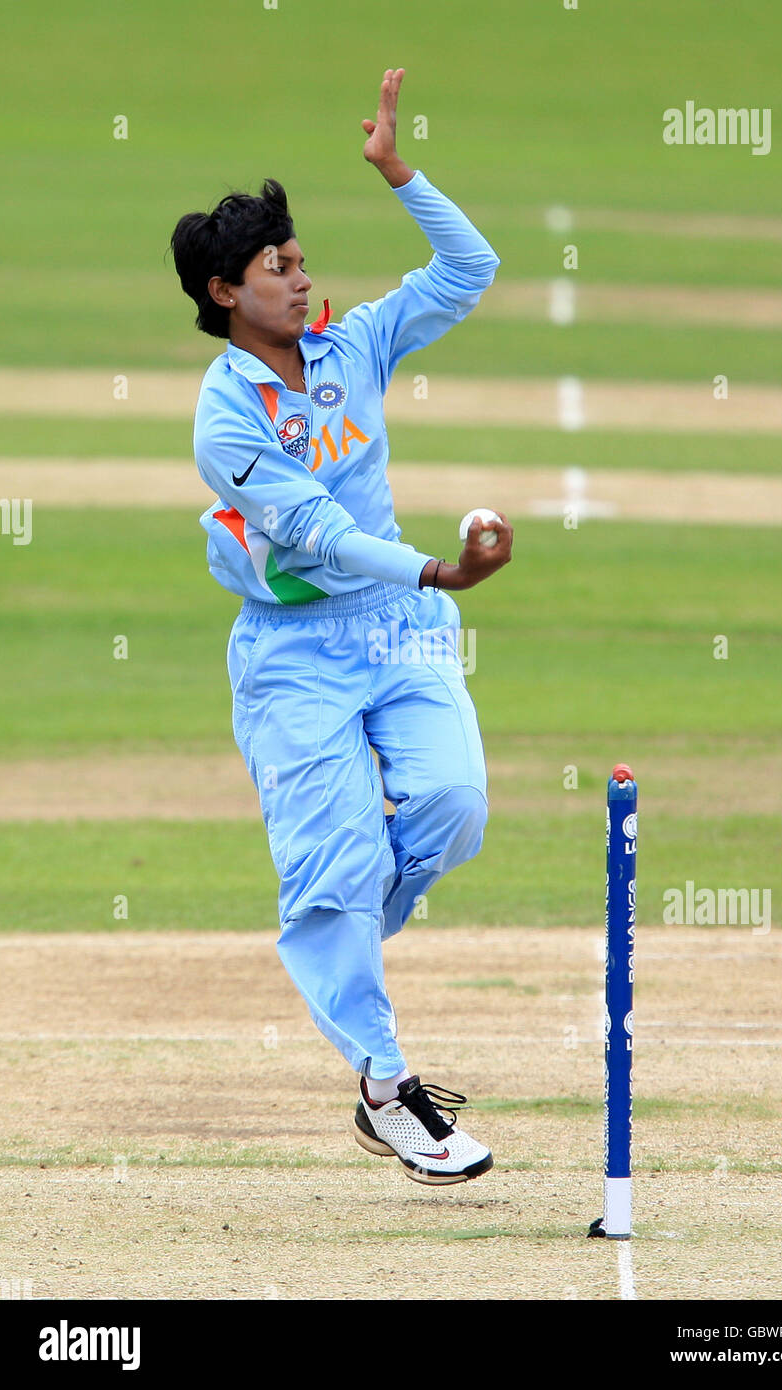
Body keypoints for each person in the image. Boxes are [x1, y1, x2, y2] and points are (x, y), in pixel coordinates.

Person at [171, 68, 512, 1185]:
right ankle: (384, 1084)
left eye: (299, 255)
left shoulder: (354, 346)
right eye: (278, 267)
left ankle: (344, 926)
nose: (301, 274)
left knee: (454, 807)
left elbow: (470, 270)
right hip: (293, 657)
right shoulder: (224, 417)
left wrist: (396, 172)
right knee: (332, 872)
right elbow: (313, 531)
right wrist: (436, 567)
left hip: (401, 633)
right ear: (226, 291)